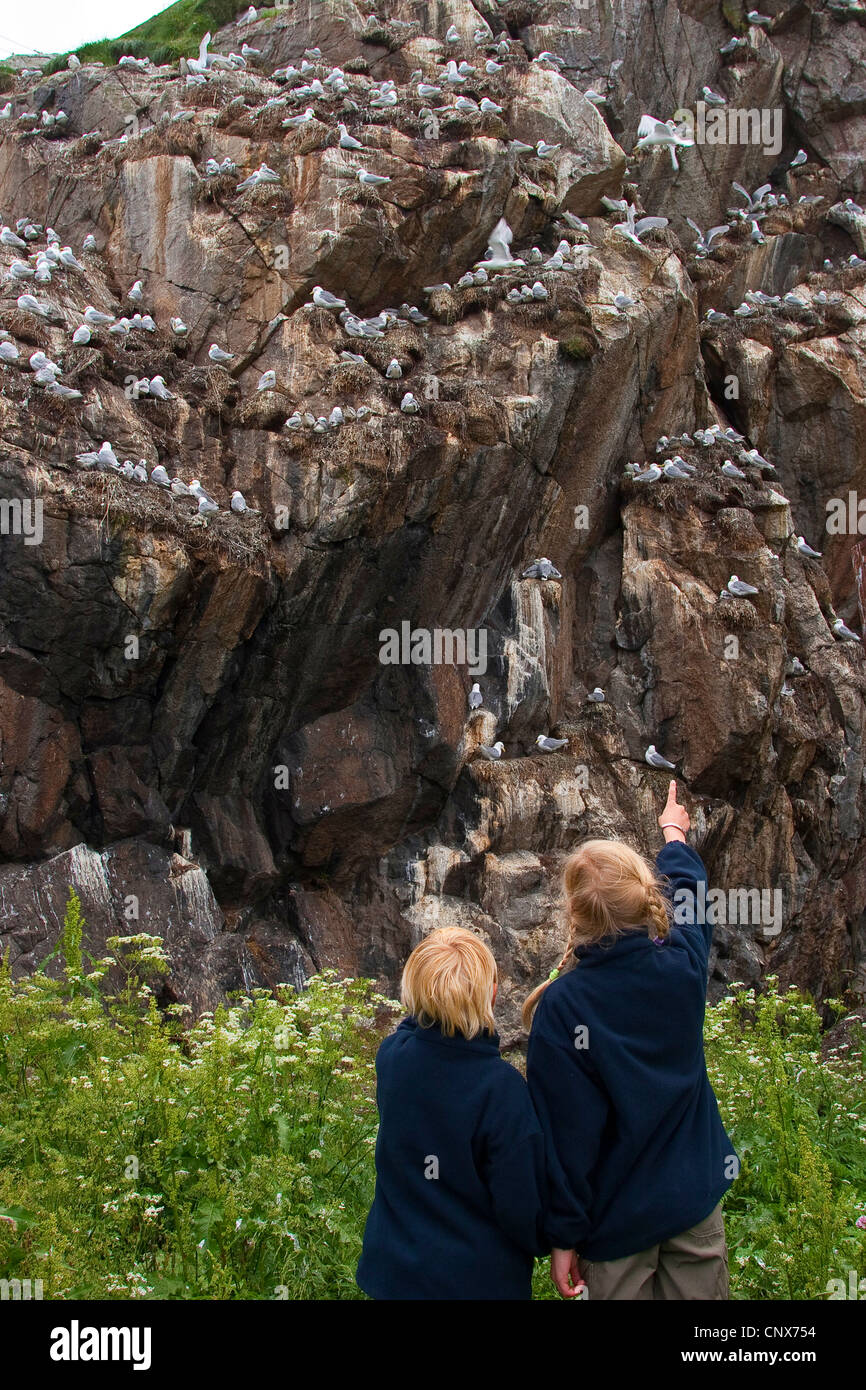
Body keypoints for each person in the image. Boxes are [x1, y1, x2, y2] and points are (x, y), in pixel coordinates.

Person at [525, 781, 736, 1300]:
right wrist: (673, 835)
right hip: (693, 1201)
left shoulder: (561, 1010)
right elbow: (689, 896)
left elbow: (567, 1138)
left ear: (573, 916)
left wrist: (564, 1235)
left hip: (616, 1224)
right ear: (646, 896)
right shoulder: (681, 968)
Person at [357, 926, 547, 1299]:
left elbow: (412, 1030)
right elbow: (521, 1205)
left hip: (394, 1277)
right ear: (491, 995)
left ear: (412, 992)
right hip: (476, 1282)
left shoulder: (393, 1057)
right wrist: (546, 1238)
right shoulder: (501, 1089)